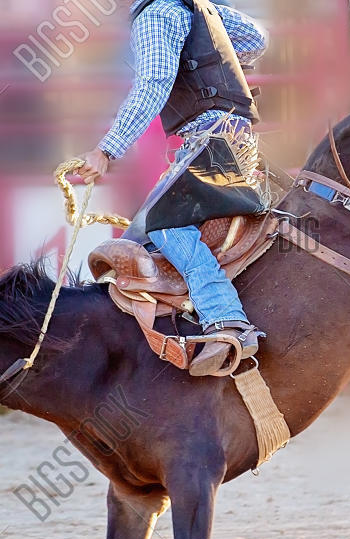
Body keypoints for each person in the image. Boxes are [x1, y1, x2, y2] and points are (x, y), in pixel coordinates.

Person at [76, 0, 268, 377]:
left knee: (163, 223)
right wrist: (199, 51)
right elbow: (256, 39)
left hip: (210, 142)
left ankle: (226, 318)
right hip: (235, 138)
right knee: (148, 232)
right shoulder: (195, 9)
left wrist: (106, 149)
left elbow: (154, 83)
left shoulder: (156, 15)